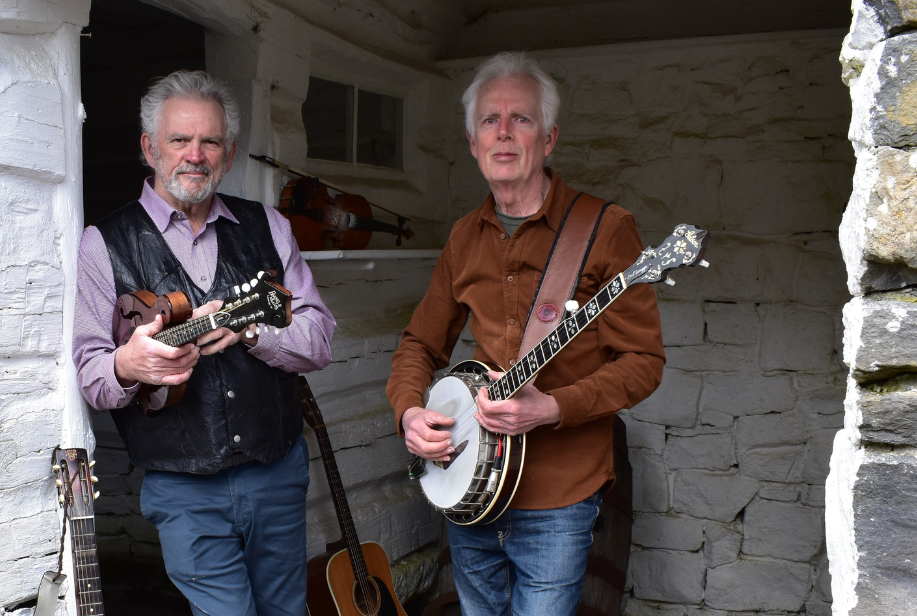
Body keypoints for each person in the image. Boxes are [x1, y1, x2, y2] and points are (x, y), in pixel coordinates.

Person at [386, 52, 665, 615]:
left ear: (550, 137)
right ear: (472, 142)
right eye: (490, 120)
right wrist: (409, 413)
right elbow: (419, 343)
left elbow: (644, 361)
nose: (505, 133)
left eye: (522, 119)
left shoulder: (606, 230)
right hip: (471, 483)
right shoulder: (464, 237)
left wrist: (553, 407)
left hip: (560, 495)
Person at [72, 70, 335, 616]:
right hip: (183, 488)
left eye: (210, 141)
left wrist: (254, 331)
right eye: (179, 140)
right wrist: (130, 363)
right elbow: (91, 373)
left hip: (275, 471)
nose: (195, 154)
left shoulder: (269, 227)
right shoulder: (103, 245)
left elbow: (319, 340)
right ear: (149, 148)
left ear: (230, 151)